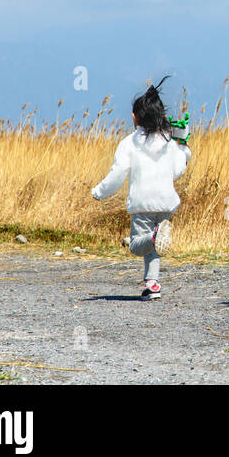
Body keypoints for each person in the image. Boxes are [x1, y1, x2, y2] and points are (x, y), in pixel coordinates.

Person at [91, 77, 190, 299]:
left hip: (142, 204)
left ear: (137, 118)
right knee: (155, 248)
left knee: (137, 245)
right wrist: (184, 149)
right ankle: (152, 284)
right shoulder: (168, 141)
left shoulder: (129, 143)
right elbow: (178, 169)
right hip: (166, 203)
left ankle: (154, 237)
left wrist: (99, 192)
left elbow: (117, 174)